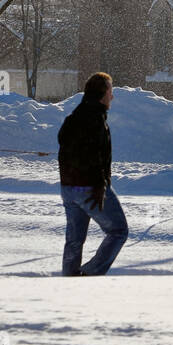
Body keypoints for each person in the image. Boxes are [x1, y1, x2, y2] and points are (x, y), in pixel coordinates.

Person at [58, 71, 128, 276]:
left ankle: (69, 280)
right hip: (90, 187)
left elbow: (64, 145)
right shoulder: (95, 119)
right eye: (110, 91)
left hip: (68, 188)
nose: (112, 96)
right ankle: (88, 274)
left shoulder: (74, 117)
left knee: (74, 240)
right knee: (118, 231)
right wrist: (98, 185)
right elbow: (92, 155)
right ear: (101, 93)